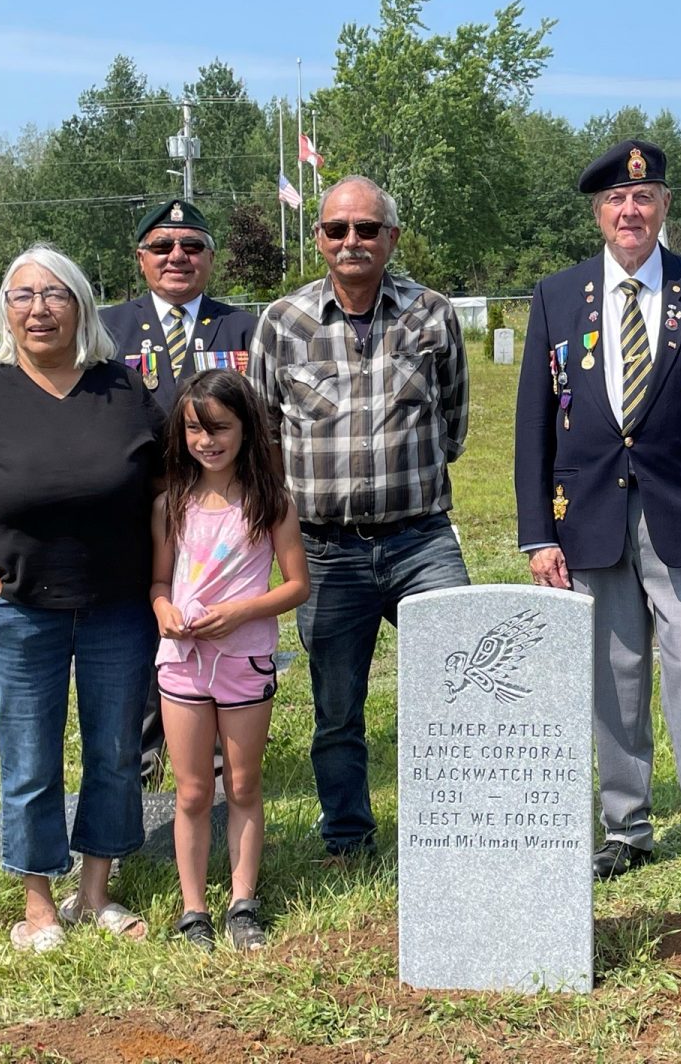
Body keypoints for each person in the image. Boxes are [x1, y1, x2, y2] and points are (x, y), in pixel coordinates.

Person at [514, 139, 681, 899]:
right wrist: (537, 532)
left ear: (663, 206)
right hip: (588, 514)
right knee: (612, 676)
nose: (631, 211)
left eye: (645, 198)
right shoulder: (557, 295)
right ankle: (625, 826)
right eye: (616, 202)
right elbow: (533, 420)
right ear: (599, 213)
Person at [0, 244, 165, 952]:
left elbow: (161, 494)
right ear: (6, 309)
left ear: (82, 307)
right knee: (29, 758)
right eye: (24, 295)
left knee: (116, 752)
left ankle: (94, 892)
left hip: (117, 607)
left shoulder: (122, 388)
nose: (39, 308)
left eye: (55, 294)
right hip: (20, 608)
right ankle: (37, 905)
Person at [249, 175, 470, 859]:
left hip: (421, 542)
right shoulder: (283, 323)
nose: (352, 241)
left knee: (460, 681)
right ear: (318, 238)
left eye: (367, 229)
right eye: (337, 229)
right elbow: (263, 436)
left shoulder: (432, 315)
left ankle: (458, 822)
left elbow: (452, 425)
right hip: (326, 551)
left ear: (392, 238)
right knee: (337, 708)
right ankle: (348, 835)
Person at [151, 369, 309, 951]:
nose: (207, 440)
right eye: (194, 428)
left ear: (246, 428)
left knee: (243, 785)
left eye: (220, 427)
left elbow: (297, 586)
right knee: (192, 792)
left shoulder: (272, 502)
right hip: (184, 662)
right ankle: (194, 909)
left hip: (245, 660)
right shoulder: (172, 504)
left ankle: (243, 901)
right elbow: (159, 582)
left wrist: (242, 612)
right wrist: (164, 609)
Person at [103, 199, 257, 787]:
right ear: (141, 258)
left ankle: (216, 760)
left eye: (191, 246)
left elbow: (260, 419)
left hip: (218, 514)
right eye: (163, 246)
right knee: (143, 628)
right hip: (134, 509)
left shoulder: (242, 326)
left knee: (215, 625)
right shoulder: (109, 329)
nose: (177, 257)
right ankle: (142, 764)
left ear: (210, 258)